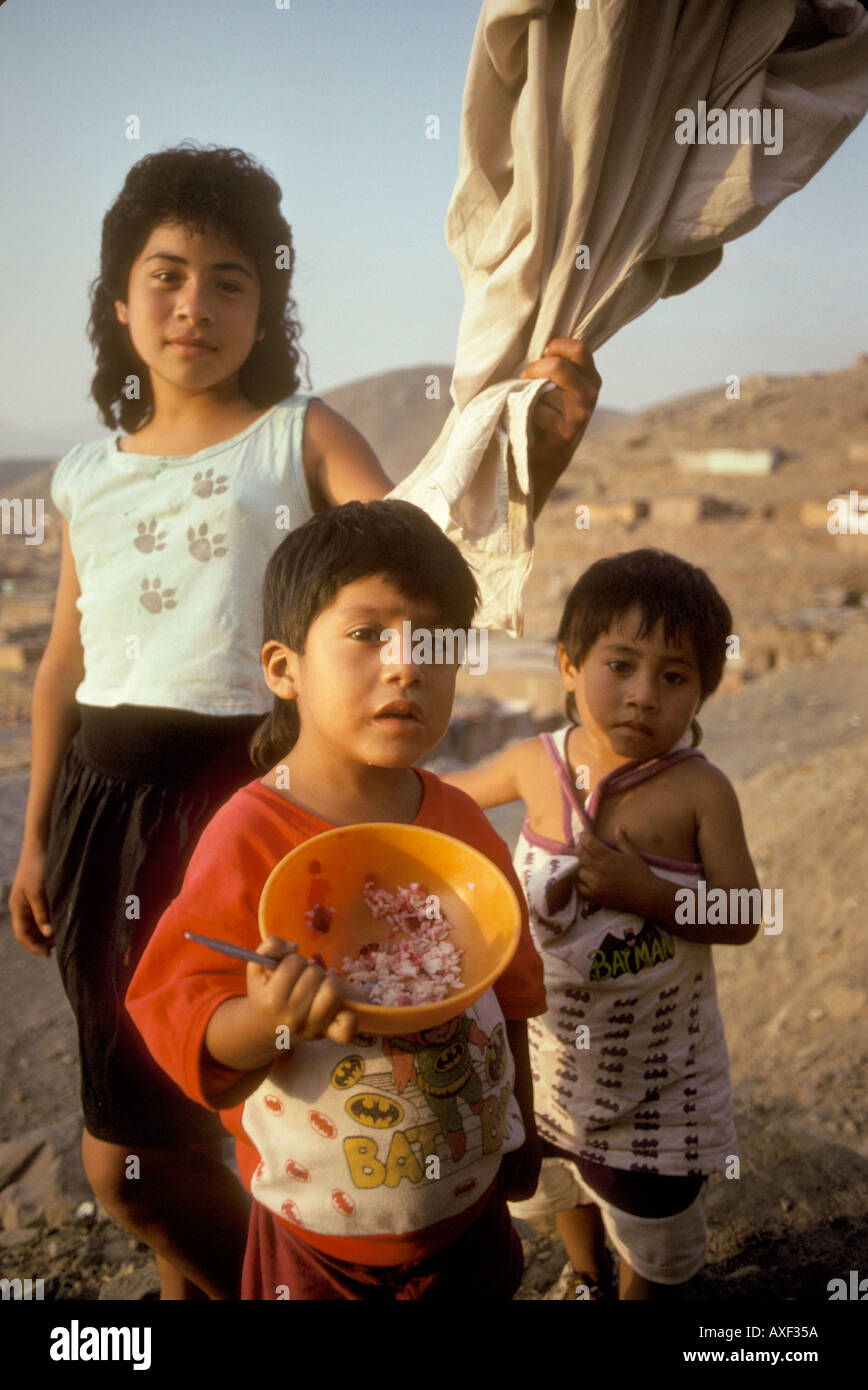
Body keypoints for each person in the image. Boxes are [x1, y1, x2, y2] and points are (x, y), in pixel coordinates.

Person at [8, 143, 597, 1299]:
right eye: (168, 274)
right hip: (104, 817)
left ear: (265, 306)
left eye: (231, 280)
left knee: (295, 1070)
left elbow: (419, 550)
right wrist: (35, 834)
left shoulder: (299, 431)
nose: (196, 304)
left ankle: (317, 1263)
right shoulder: (84, 471)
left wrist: (537, 443)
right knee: (135, 1150)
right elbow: (61, 669)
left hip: (257, 803)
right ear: (119, 298)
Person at [126, 500, 546, 1301]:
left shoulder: (458, 819)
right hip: (322, 1244)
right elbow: (180, 1010)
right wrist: (269, 1017)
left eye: (435, 641)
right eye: (367, 634)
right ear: (284, 669)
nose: (406, 665)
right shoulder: (249, 834)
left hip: (468, 1216)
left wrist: (522, 1125)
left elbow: (509, 986)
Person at [444, 548, 761, 1300]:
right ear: (567, 665)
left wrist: (647, 893)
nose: (643, 695)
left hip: (659, 1078)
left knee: (651, 1228)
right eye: (620, 665)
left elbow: (744, 914)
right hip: (552, 1061)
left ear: (701, 695)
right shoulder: (532, 764)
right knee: (559, 1182)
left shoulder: (699, 793)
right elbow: (442, 799)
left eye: (674, 677)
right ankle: (586, 1277)